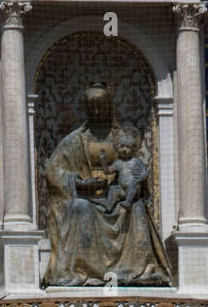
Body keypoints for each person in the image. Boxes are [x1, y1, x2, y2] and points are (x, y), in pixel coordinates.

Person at [42, 83, 171, 288]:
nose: (95, 111)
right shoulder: (74, 140)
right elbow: (52, 169)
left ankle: (138, 270)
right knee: (80, 207)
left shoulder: (122, 138)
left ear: (109, 107)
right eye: (91, 107)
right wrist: (80, 182)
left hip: (117, 194)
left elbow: (133, 169)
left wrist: (138, 177)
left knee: (137, 208)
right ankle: (85, 270)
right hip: (86, 198)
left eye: (100, 106)